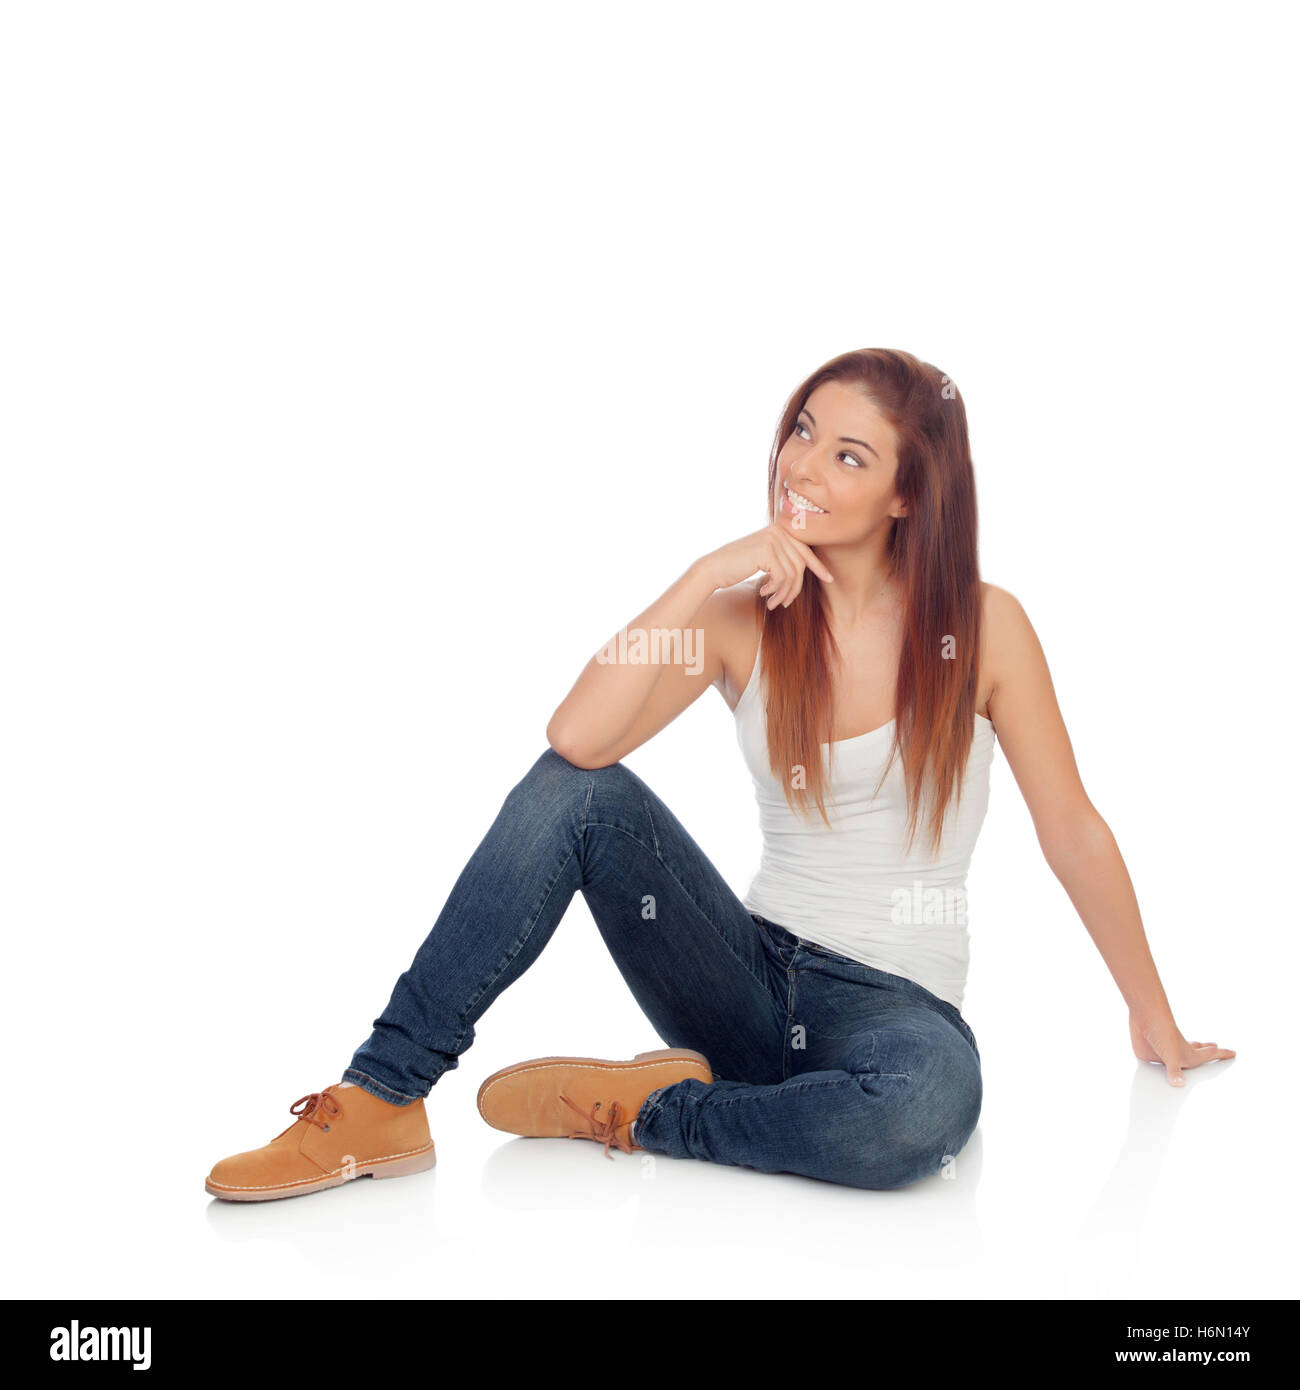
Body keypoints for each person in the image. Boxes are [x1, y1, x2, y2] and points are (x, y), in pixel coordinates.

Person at [205, 347, 1234, 1202]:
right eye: (801, 431)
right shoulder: (742, 613)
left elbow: (1072, 828)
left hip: (894, 1002)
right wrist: (705, 574)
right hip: (741, 979)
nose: (804, 467)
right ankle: (383, 1096)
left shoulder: (983, 624)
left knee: (924, 1113)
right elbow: (574, 739)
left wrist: (1151, 1013)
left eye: (847, 454)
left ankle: (645, 1111)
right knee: (579, 792)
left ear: (908, 492)